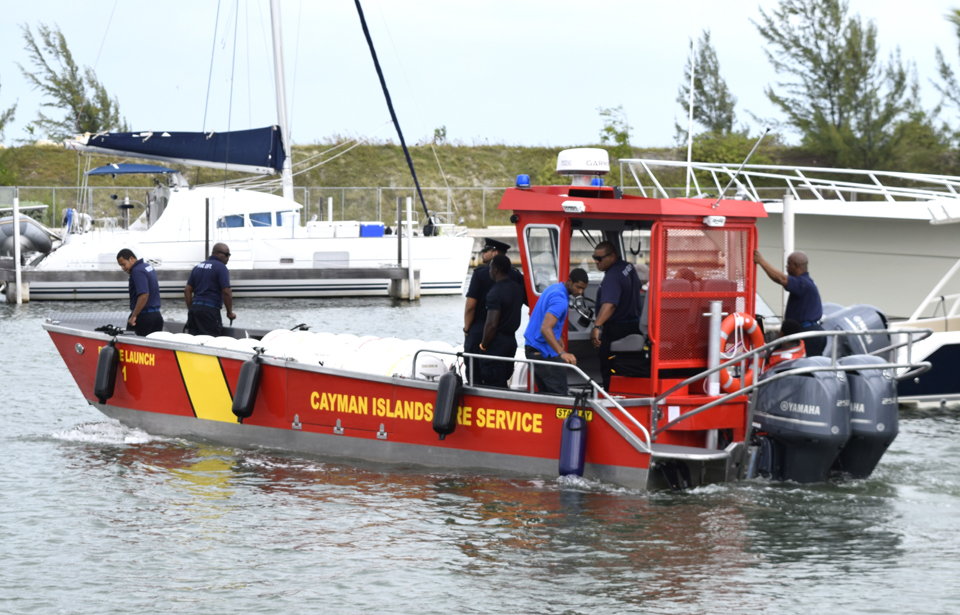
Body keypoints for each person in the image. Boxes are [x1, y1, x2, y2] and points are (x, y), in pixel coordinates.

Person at [463, 238, 526, 379]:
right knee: (500, 376)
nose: (483, 253)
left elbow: (470, 308)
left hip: (480, 330)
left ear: (495, 253)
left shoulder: (480, 274)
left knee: (474, 376)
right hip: (505, 336)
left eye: (486, 250)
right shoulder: (516, 276)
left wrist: (467, 330)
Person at [523, 268, 589, 395]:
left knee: (546, 395)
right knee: (560, 395)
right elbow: (545, 328)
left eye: (583, 289)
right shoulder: (561, 300)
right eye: (578, 287)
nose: (580, 292)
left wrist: (558, 338)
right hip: (542, 351)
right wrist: (562, 352)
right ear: (569, 281)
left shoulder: (553, 288)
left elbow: (544, 318)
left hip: (531, 347)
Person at [590, 241, 643, 391]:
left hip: (617, 327)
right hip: (635, 324)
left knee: (606, 361)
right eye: (594, 257)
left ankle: (609, 394)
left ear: (612, 256)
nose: (596, 262)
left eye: (599, 258)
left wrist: (596, 326)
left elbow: (610, 305)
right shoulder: (628, 267)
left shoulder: (611, 277)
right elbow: (638, 288)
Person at [754, 250, 825, 357]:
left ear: (796, 265)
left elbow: (781, 278)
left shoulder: (803, 283)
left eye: (788, 264)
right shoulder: (806, 282)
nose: (786, 267)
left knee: (805, 367)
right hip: (809, 332)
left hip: (808, 334)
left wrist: (760, 261)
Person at [478, 254, 525, 388]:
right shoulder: (517, 289)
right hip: (511, 342)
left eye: (490, 268)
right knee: (504, 378)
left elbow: (492, 324)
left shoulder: (495, 292)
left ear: (496, 270)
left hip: (497, 343)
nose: (489, 271)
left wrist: (483, 345)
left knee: (492, 383)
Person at [185, 242, 236, 336]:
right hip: (209, 311)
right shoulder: (221, 268)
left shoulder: (198, 267)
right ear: (216, 253)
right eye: (226, 254)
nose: (228, 257)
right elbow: (226, 292)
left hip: (195, 310)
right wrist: (229, 313)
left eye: (229, 255)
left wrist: (191, 308)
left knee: (194, 340)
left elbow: (188, 290)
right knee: (209, 341)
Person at [117, 248, 164, 336]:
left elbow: (144, 295)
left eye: (124, 264)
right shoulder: (147, 267)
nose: (123, 268)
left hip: (143, 318)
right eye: (121, 266)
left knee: (134, 346)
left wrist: (133, 316)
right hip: (156, 316)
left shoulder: (137, 271)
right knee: (153, 348)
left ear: (131, 259)